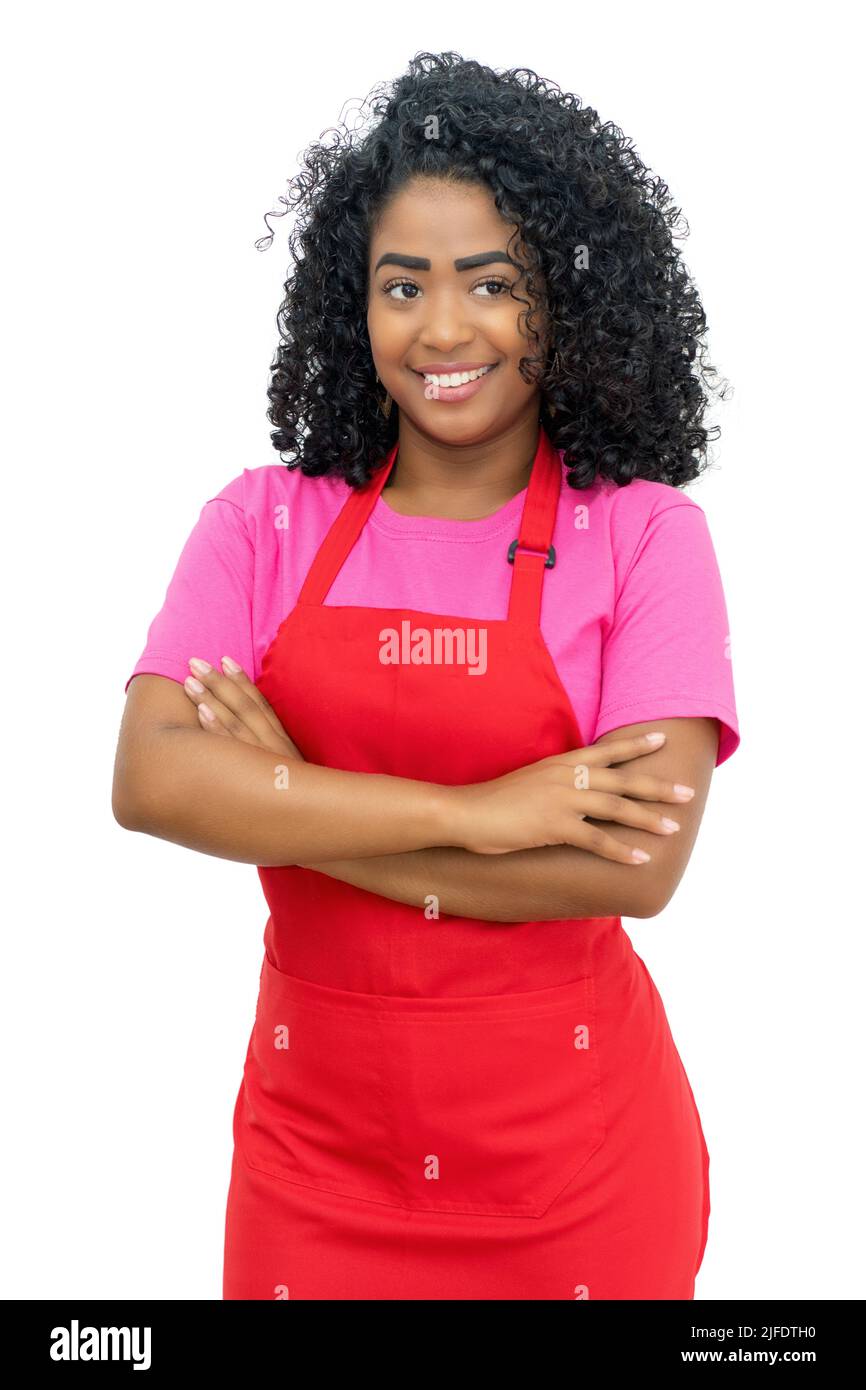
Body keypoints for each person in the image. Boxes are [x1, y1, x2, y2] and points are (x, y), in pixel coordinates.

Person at [113, 51, 740, 1300]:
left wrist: (287, 796)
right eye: (402, 286)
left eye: (490, 285)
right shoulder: (263, 523)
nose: (442, 329)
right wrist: (480, 816)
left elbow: (637, 865)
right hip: (312, 1160)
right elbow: (150, 779)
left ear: (565, 301)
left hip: (579, 1174)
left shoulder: (643, 536)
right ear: (356, 306)